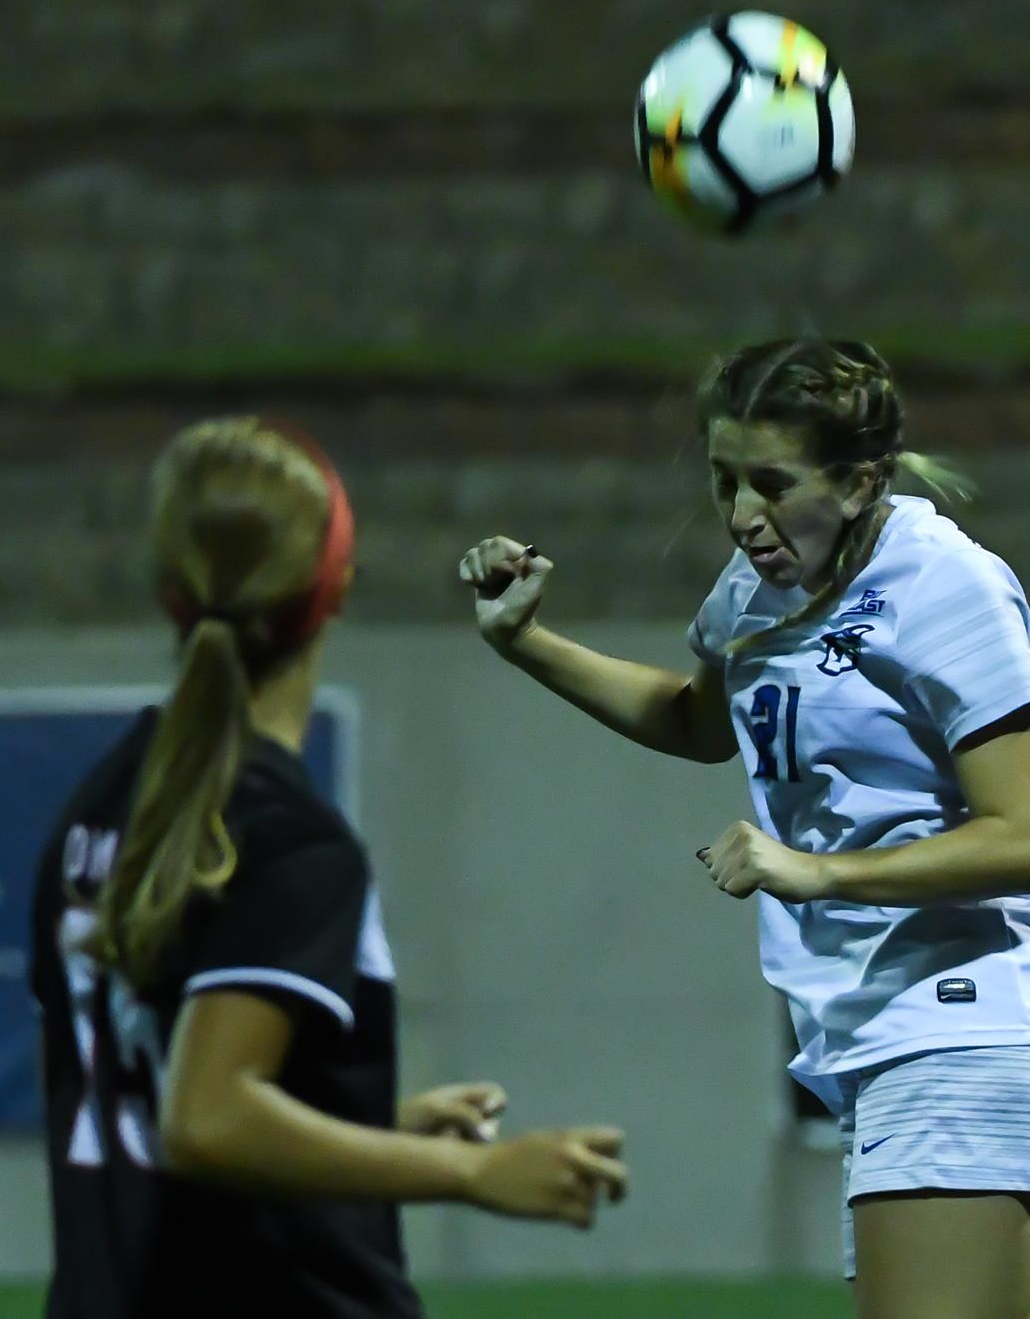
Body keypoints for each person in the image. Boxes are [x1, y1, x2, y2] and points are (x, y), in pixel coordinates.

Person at [459, 338, 1030, 1319]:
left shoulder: (945, 585)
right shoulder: (756, 587)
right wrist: (526, 642)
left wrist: (817, 870)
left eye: (771, 483)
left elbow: (1021, 838)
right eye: (723, 479)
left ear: (861, 480)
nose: (741, 514)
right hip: (879, 1027)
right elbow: (695, 720)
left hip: (966, 1018)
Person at [31, 418, 627, 1319]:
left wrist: (373, 1127)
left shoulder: (99, 809)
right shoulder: (288, 838)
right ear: (335, 585)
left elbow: (156, 1102)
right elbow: (206, 1116)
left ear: (168, 591)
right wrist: (470, 1170)